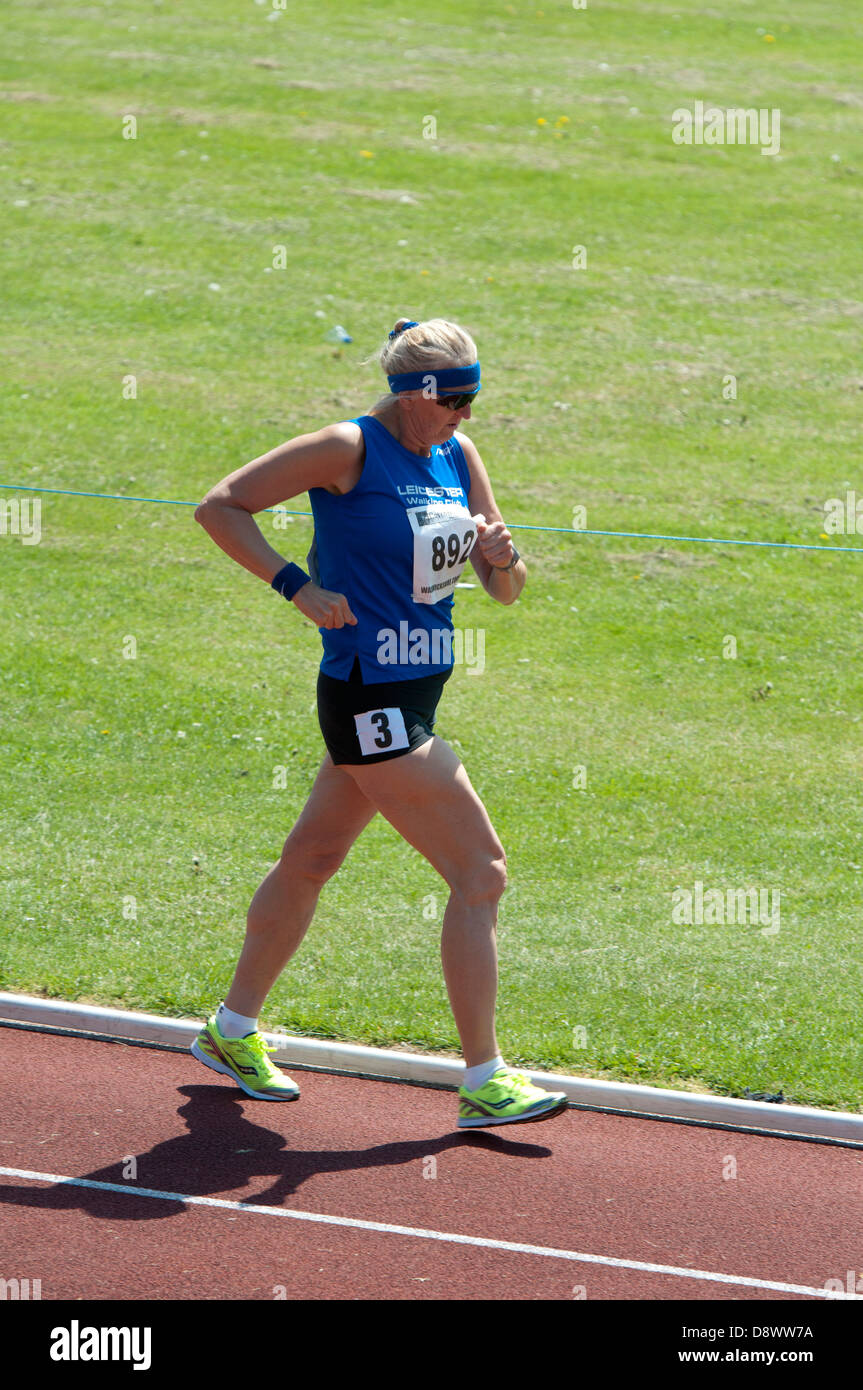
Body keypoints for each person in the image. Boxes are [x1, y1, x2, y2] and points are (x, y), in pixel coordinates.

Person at [190, 316, 567, 1128]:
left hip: (420, 686)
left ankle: (230, 1029)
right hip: (367, 695)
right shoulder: (347, 448)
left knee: (313, 857)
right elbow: (221, 507)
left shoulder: (456, 456)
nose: (468, 414)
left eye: (474, 397)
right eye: (457, 399)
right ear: (413, 393)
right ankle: (484, 1079)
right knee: (482, 874)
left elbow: (504, 591)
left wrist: (501, 558)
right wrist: (297, 586)